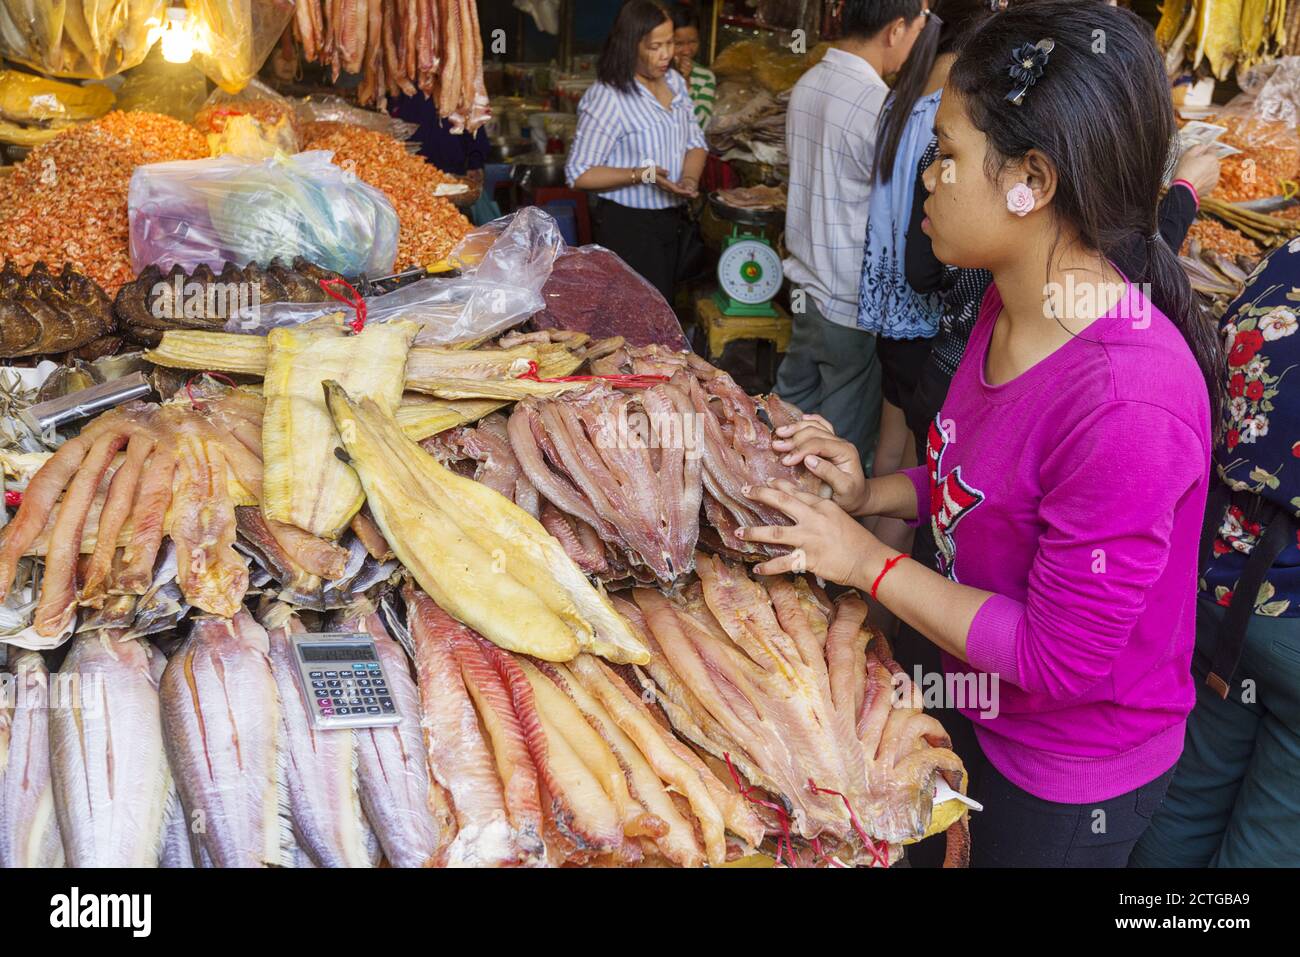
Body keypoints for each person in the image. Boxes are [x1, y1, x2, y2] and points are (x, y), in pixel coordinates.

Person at [735, 2, 1221, 866]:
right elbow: (973, 478)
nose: (926, 176)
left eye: (947, 153)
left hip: (1061, 768)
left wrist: (864, 559)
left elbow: (1055, 655)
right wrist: (871, 492)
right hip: (968, 685)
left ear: (1031, 180)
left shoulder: (1129, 400)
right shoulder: (1007, 299)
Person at [1129, 240, 1300, 868]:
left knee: (1188, 798)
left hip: (1224, 588)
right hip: (1286, 617)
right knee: (1274, 839)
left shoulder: (1286, 261)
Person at [853, 0, 998, 591]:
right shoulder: (947, 124)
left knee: (894, 461)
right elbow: (923, 263)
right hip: (924, 325)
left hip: (889, 317)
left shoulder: (902, 105)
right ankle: (879, 608)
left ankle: (860, 594)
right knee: (924, 477)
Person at [777, 0, 929, 469]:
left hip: (805, 291)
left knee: (786, 425)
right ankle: (816, 533)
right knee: (834, 451)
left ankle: (761, 511)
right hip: (850, 305)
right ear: (896, 28)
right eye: (917, 31)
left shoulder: (808, 83)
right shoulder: (877, 105)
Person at [567, 0, 708, 302]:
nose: (667, 54)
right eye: (656, 46)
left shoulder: (674, 83)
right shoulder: (608, 97)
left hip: (672, 220)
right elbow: (579, 174)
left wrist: (690, 181)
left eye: (670, 43)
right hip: (629, 227)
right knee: (637, 319)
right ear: (631, 45)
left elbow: (696, 141)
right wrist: (643, 175)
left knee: (664, 310)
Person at [670, 4, 716, 128]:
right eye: (678, 44)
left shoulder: (706, 77)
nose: (686, 50)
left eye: (693, 42)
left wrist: (686, 83)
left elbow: (702, 124)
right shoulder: (657, 72)